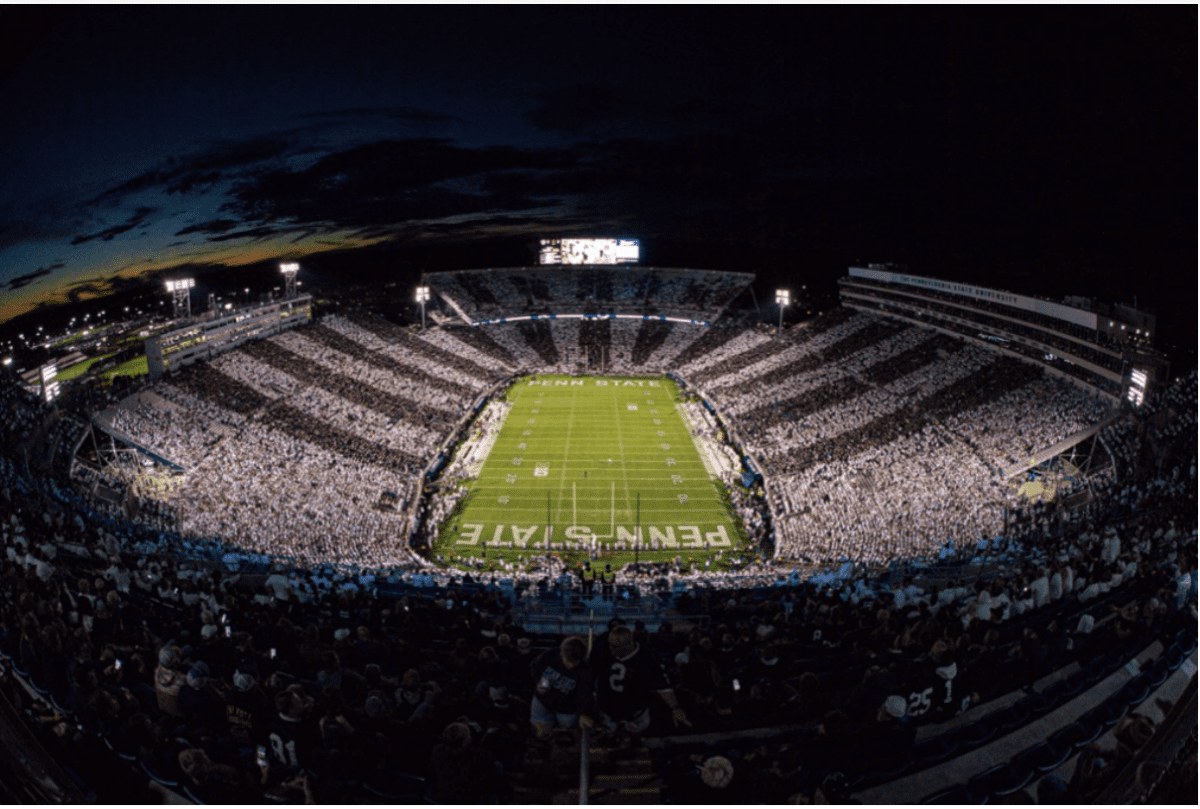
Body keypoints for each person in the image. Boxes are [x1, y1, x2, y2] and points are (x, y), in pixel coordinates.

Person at [592, 625, 690, 738]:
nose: (611, 649)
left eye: (615, 646)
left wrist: (675, 708)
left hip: (635, 713)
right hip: (608, 711)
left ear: (629, 644)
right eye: (610, 644)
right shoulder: (603, 650)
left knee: (635, 735)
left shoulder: (646, 658)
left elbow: (661, 685)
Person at [528, 636, 595, 740]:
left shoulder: (585, 671)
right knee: (540, 734)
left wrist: (583, 713)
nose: (570, 665)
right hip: (543, 699)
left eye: (574, 662)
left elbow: (584, 695)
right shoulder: (550, 655)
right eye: (567, 661)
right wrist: (537, 682)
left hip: (567, 708)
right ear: (561, 653)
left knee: (567, 736)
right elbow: (534, 667)